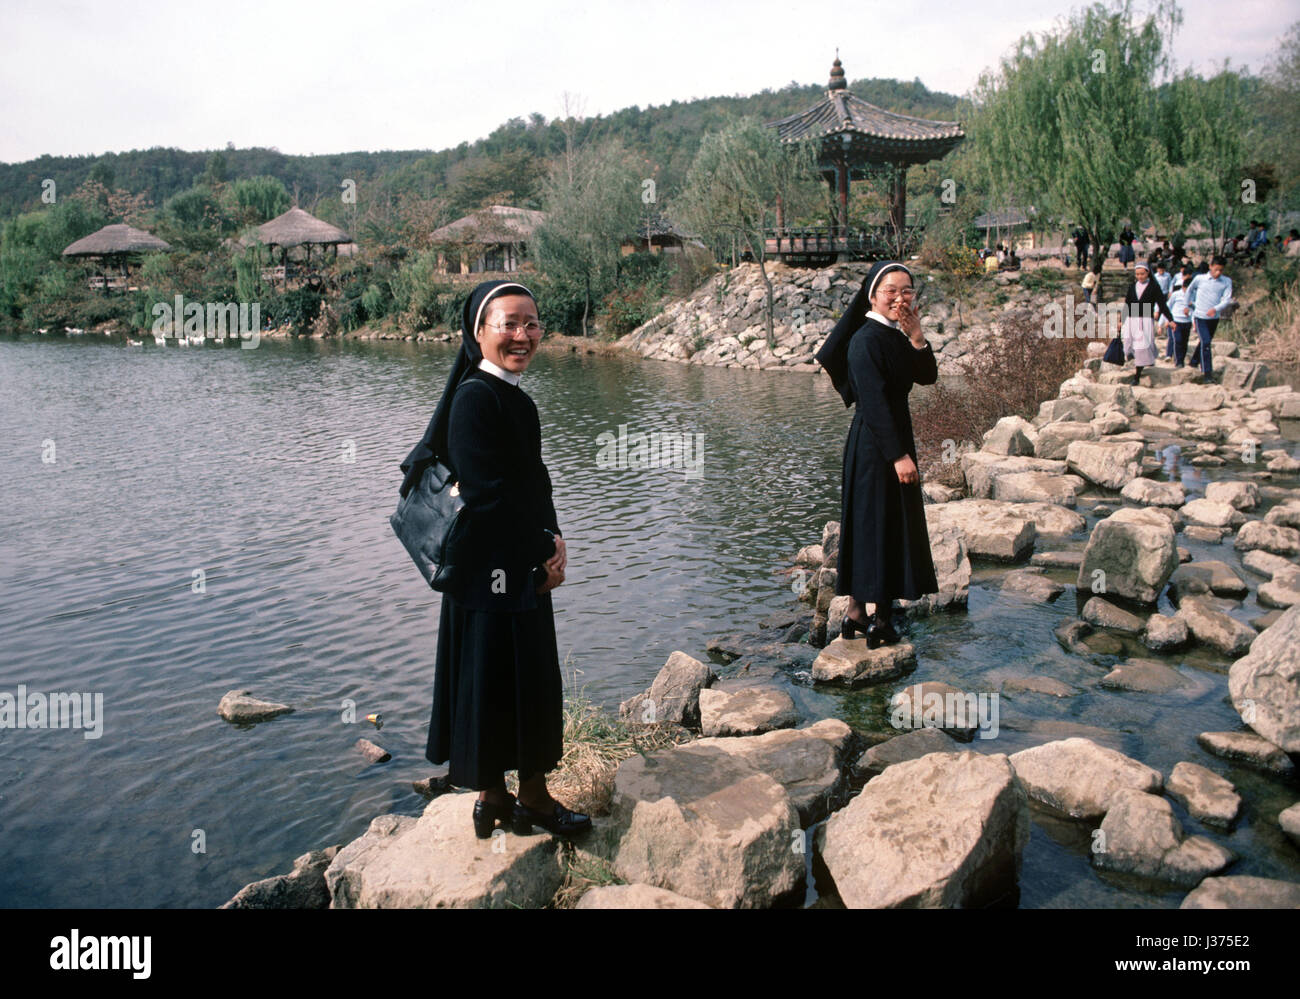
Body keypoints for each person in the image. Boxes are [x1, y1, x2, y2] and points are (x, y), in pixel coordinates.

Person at [399, 279, 589, 840]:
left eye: (531, 323)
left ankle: (495, 799)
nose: (522, 335)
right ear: (478, 332)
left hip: (511, 566)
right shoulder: (476, 398)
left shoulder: (512, 396)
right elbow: (487, 495)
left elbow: (534, 482)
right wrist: (538, 560)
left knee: (498, 679)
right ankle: (528, 800)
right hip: (495, 574)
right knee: (514, 680)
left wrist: (552, 538)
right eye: (508, 323)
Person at [815, 261, 938, 648]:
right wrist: (898, 456)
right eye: (891, 291)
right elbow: (873, 402)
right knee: (879, 523)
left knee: (878, 522)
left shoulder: (896, 334)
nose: (900, 298)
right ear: (873, 295)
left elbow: (927, 376)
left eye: (907, 291)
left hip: (888, 439)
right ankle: (879, 619)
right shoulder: (865, 340)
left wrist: (917, 335)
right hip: (875, 445)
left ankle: (858, 611)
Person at [1121, 261, 1173, 385]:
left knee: (1141, 347)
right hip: (1132, 319)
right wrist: (1121, 321)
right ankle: (1146, 358)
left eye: (1142, 274)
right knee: (1128, 344)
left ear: (1148, 273)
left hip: (1145, 319)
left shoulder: (1154, 287)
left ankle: (1137, 376)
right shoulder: (1132, 286)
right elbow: (1127, 304)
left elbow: (1162, 305)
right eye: (1137, 274)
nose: (1140, 277)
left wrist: (1170, 319)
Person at [1185, 256, 1233, 380]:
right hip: (1200, 316)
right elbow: (1189, 291)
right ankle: (1207, 373)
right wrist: (1187, 305)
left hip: (1214, 317)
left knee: (1204, 342)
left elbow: (1227, 299)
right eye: (1216, 269)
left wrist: (1215, 309)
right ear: (1210, 266)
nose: (1218, 273)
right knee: (1206, 342)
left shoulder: (1226, 281)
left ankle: (1194, 362)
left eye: (1221, 270)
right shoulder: (1200, 279)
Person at [1165, 265, 1194, 367]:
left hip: (1187, 321)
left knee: (1185, 342)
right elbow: (1167, 306)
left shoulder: (1194, 295)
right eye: (1186, 289)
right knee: (1178, 340)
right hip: (1176, 321)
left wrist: (1192, 305)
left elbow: (1196, 309)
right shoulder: (1176, 294)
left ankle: (1181, 358)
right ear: (1183, 287)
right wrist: (1166, 321)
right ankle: (1179, 362)